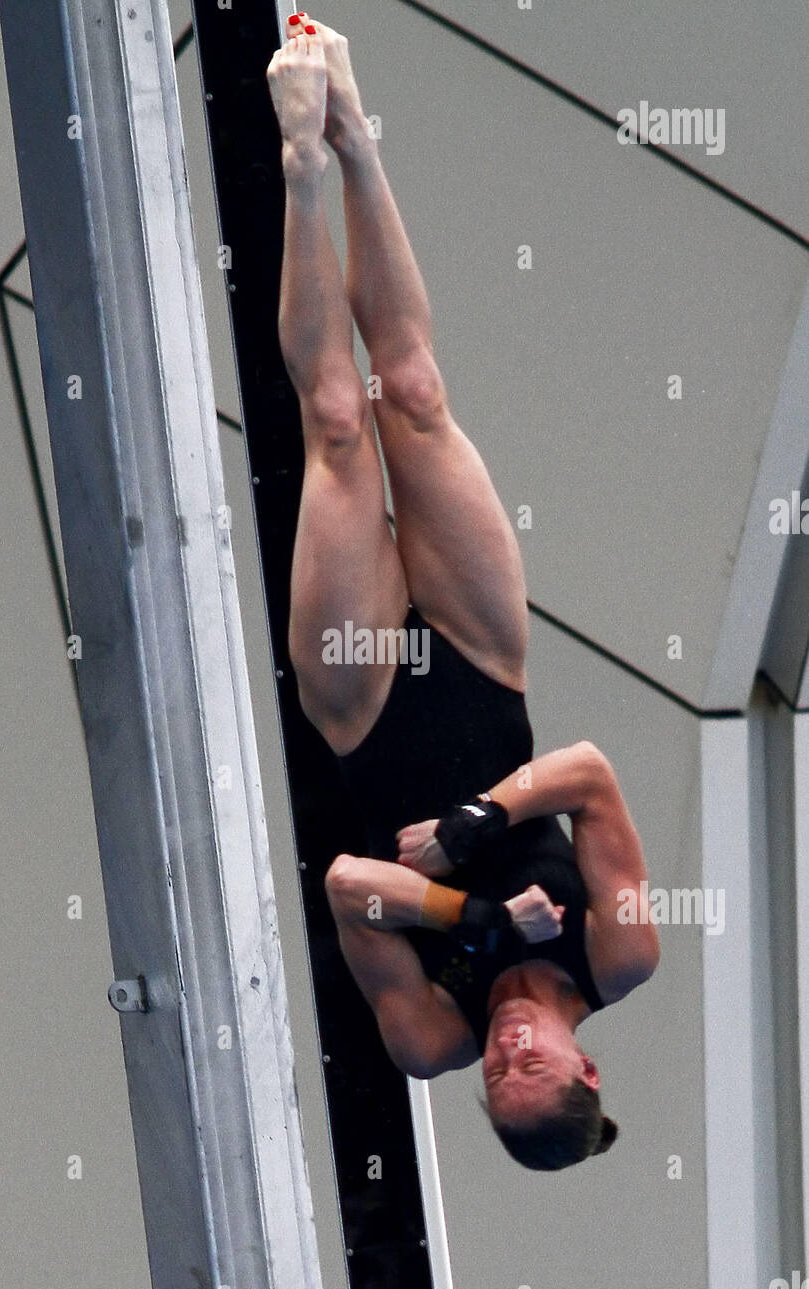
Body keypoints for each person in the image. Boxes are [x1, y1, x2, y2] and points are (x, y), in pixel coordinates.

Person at [267, 13, 659, 1170]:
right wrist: (485, 823)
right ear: (583, 1065)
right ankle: (352, 133)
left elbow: (347, 885)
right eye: (529, 1068)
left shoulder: (432, 1036)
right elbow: (585, 771)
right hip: (483, 665)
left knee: (338, 424)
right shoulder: (619, 952)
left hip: (366, 708)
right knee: (415, 394)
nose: (500, 1060)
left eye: (497, 1088)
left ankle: (296, 172)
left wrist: (465, 913)